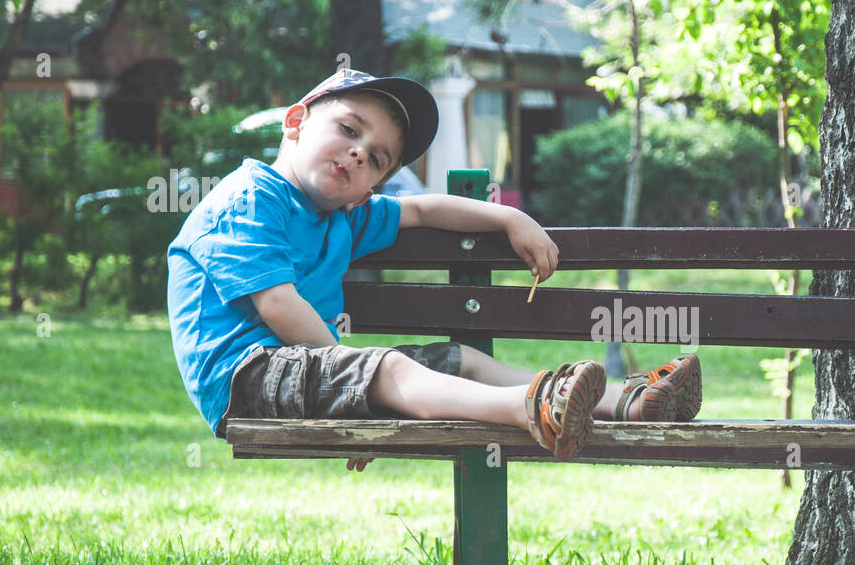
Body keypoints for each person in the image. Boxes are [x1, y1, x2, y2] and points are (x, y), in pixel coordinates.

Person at [167, 68, 701, 465]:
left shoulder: (344, 217)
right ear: (295, 123)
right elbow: (280, 306)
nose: (358, 154)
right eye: (349, 130)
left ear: (371, 187)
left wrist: (508, 217)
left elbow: (422, 207)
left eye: (376, 159)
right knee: (391, 368)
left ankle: (624, 401)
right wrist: (358, 395)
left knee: (458, 358)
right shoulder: (250, 196)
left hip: (309, 368)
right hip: (245, 378)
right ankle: (533, 407)